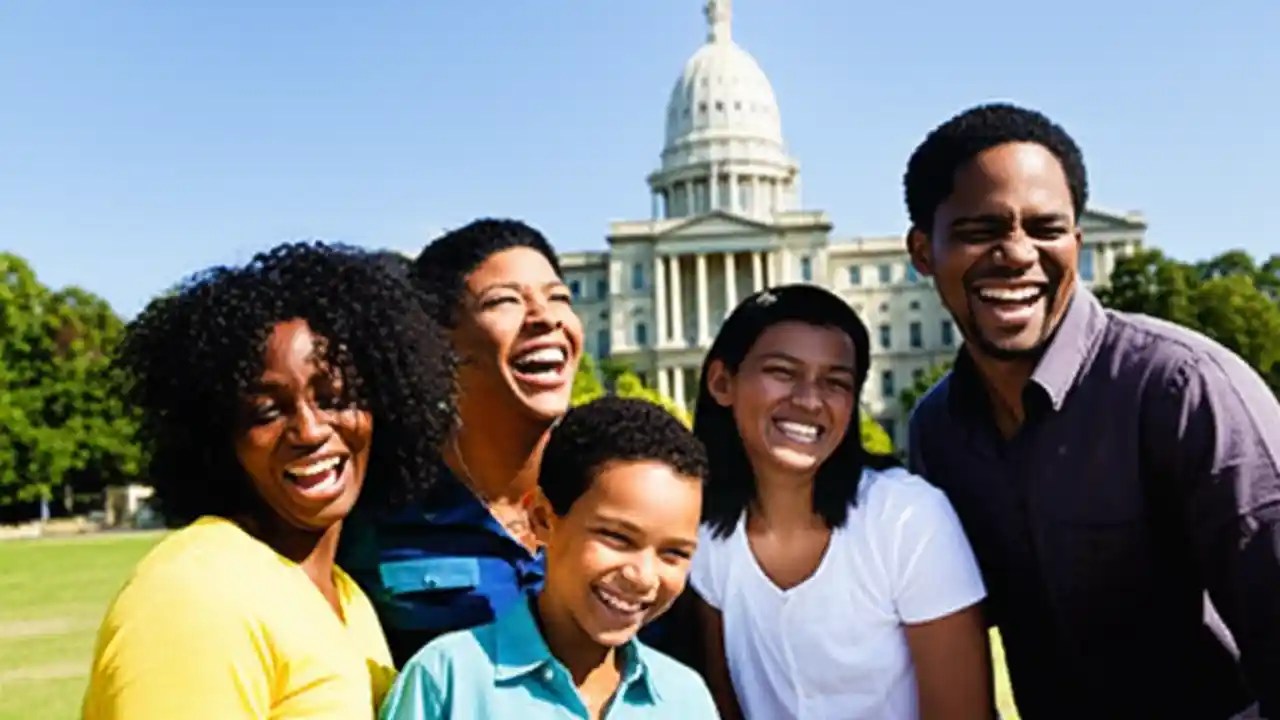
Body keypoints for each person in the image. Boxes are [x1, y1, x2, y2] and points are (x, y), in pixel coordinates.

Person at [903, 102, 1280, 719]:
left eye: (1047, 229)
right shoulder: (938, 432)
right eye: (980, 230)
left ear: (1077, 242)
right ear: (923, 250)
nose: (1018, 253)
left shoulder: (1183, 390)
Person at [83, 242, 457, 719]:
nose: (311, 430)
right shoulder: (197, 592)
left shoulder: (346, 598)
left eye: (336, 398)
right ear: (218, 436)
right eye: (266, 411)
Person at [687, 284, 990, 720]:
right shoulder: (707, 534)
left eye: (835, 382)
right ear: (722, 382)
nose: (809, 400)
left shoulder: (906, 518)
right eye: (782, 372)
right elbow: (723, 703)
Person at [338, 218, 584, 667]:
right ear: (438, 345)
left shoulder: (609, 496)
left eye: (559, 298)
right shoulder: (371, 517)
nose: (546, 318)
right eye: (505, 301)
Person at [378, 397, 720, 719]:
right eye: (616, 538)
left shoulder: (685, 699)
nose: (643, 576)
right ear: (541, 519)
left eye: (674, 553)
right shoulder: (447, 680)